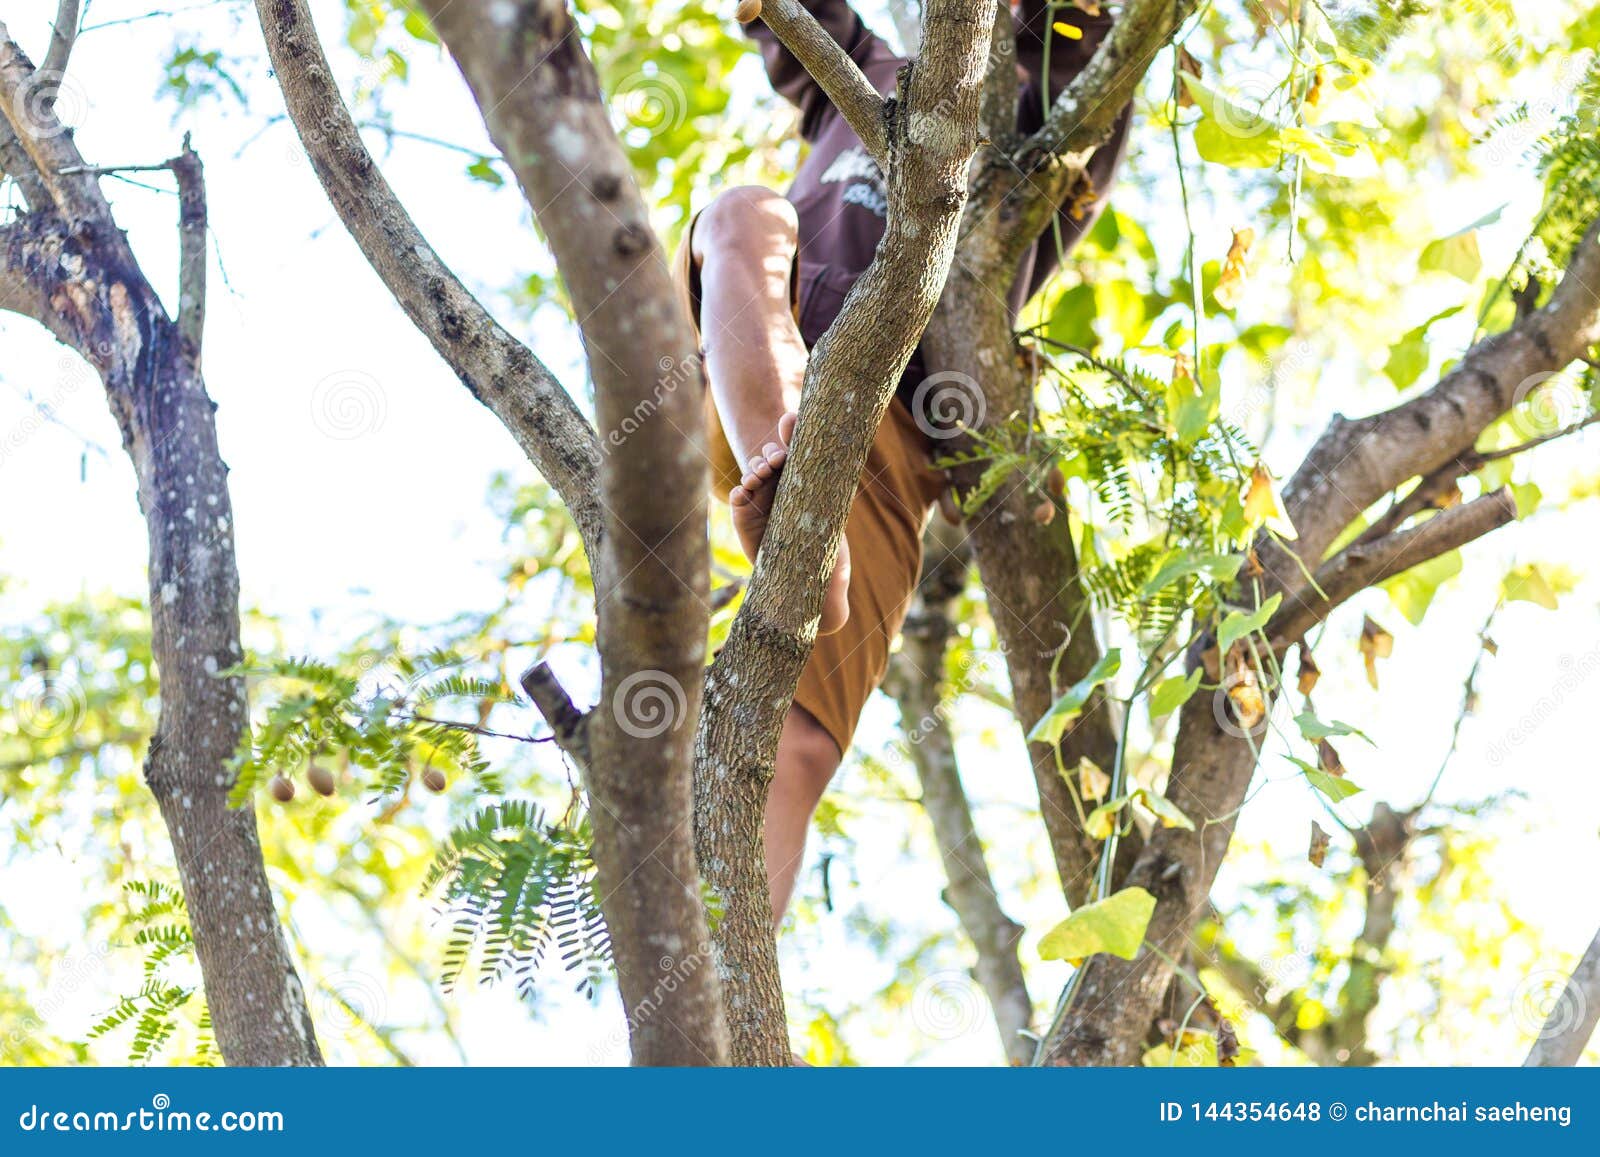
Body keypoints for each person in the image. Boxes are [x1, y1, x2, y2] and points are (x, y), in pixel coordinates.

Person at [671, 1, 1129, 921]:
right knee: (742, 214)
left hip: (894, 430)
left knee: (795, 748)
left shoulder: (1068, 114)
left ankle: (813, 552)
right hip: (755, 353)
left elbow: (1083, 34)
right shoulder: (868, 75)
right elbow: (790, 14)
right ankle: (791, 477)